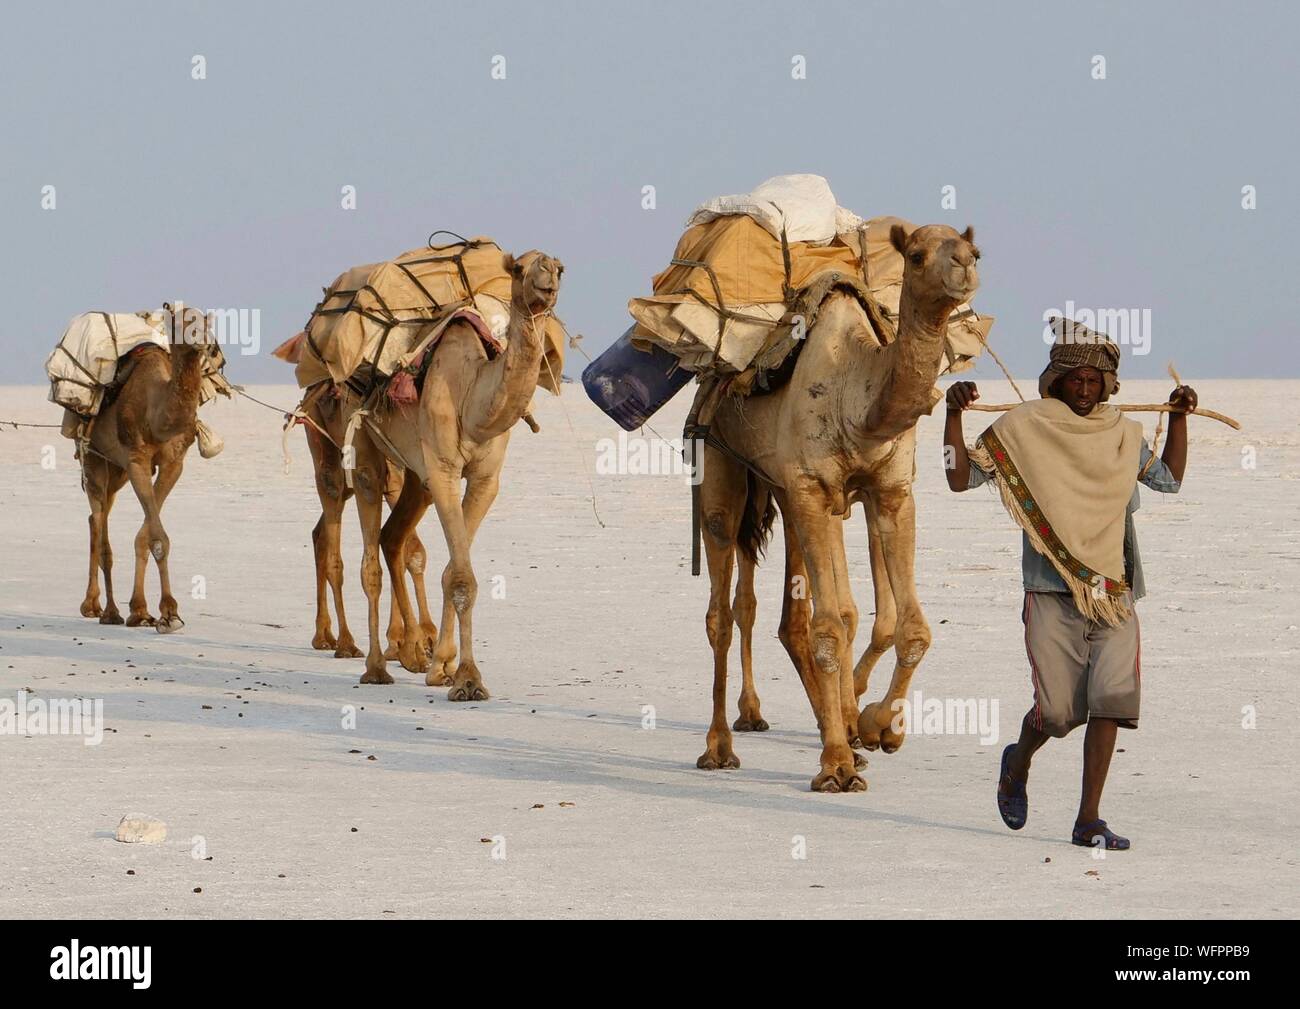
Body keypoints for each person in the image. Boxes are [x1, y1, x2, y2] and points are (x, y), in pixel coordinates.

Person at [943, 323, 1196, 850]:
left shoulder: (1123, 434)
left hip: (1114, 588)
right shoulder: (1025, 426)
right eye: (1074, 380)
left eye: (1094, 381)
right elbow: (959, 478)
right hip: (1050, 589)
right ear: (1055, 383)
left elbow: (1169, 478)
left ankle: (1089, 820)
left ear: (1108, 386)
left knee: (1111, 701)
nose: (1084, 390)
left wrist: (1177, 419)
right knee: (1059, 713)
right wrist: (952, 415)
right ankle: (1018, 760)